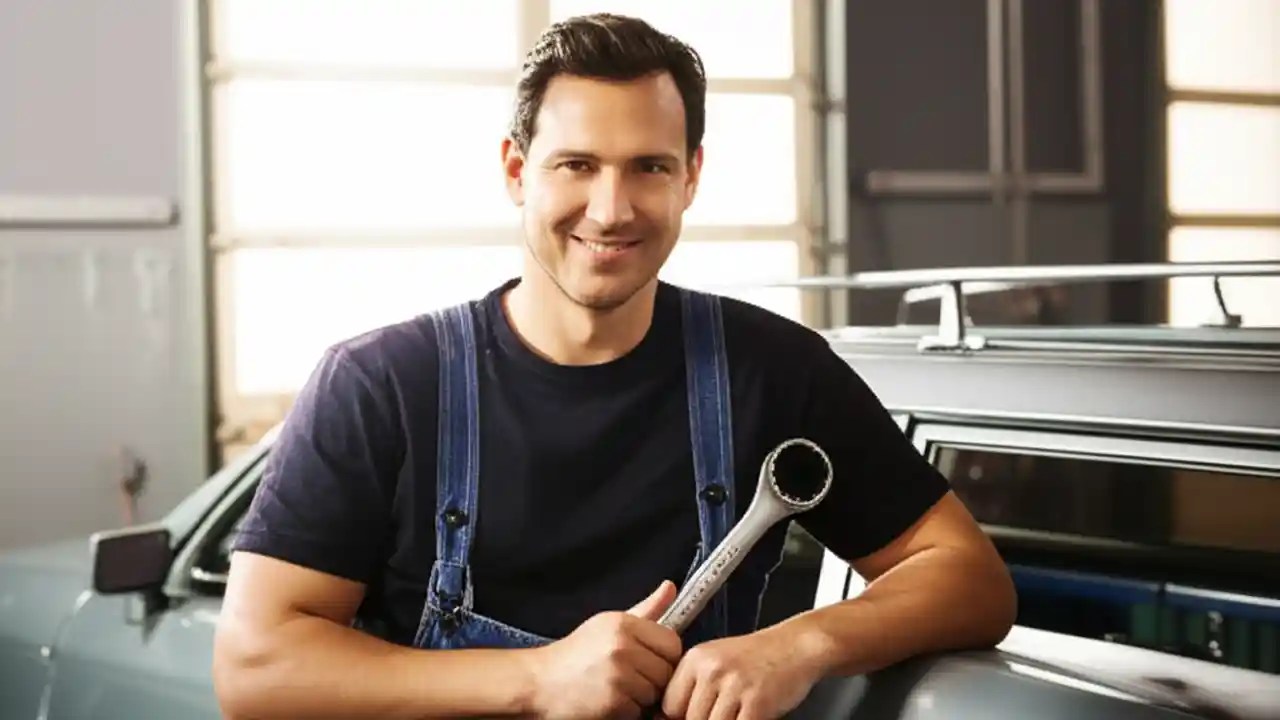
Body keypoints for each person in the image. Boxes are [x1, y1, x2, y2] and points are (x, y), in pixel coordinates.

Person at [212, 12, 1016, 720]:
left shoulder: (774, 371)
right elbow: (256, 668)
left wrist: (799, 647)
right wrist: (536, 678)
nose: (611, 208)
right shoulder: (379, 386)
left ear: (691, 176)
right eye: (577, 165)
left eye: (649, 168)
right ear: (516, 170)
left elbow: (970, 580)